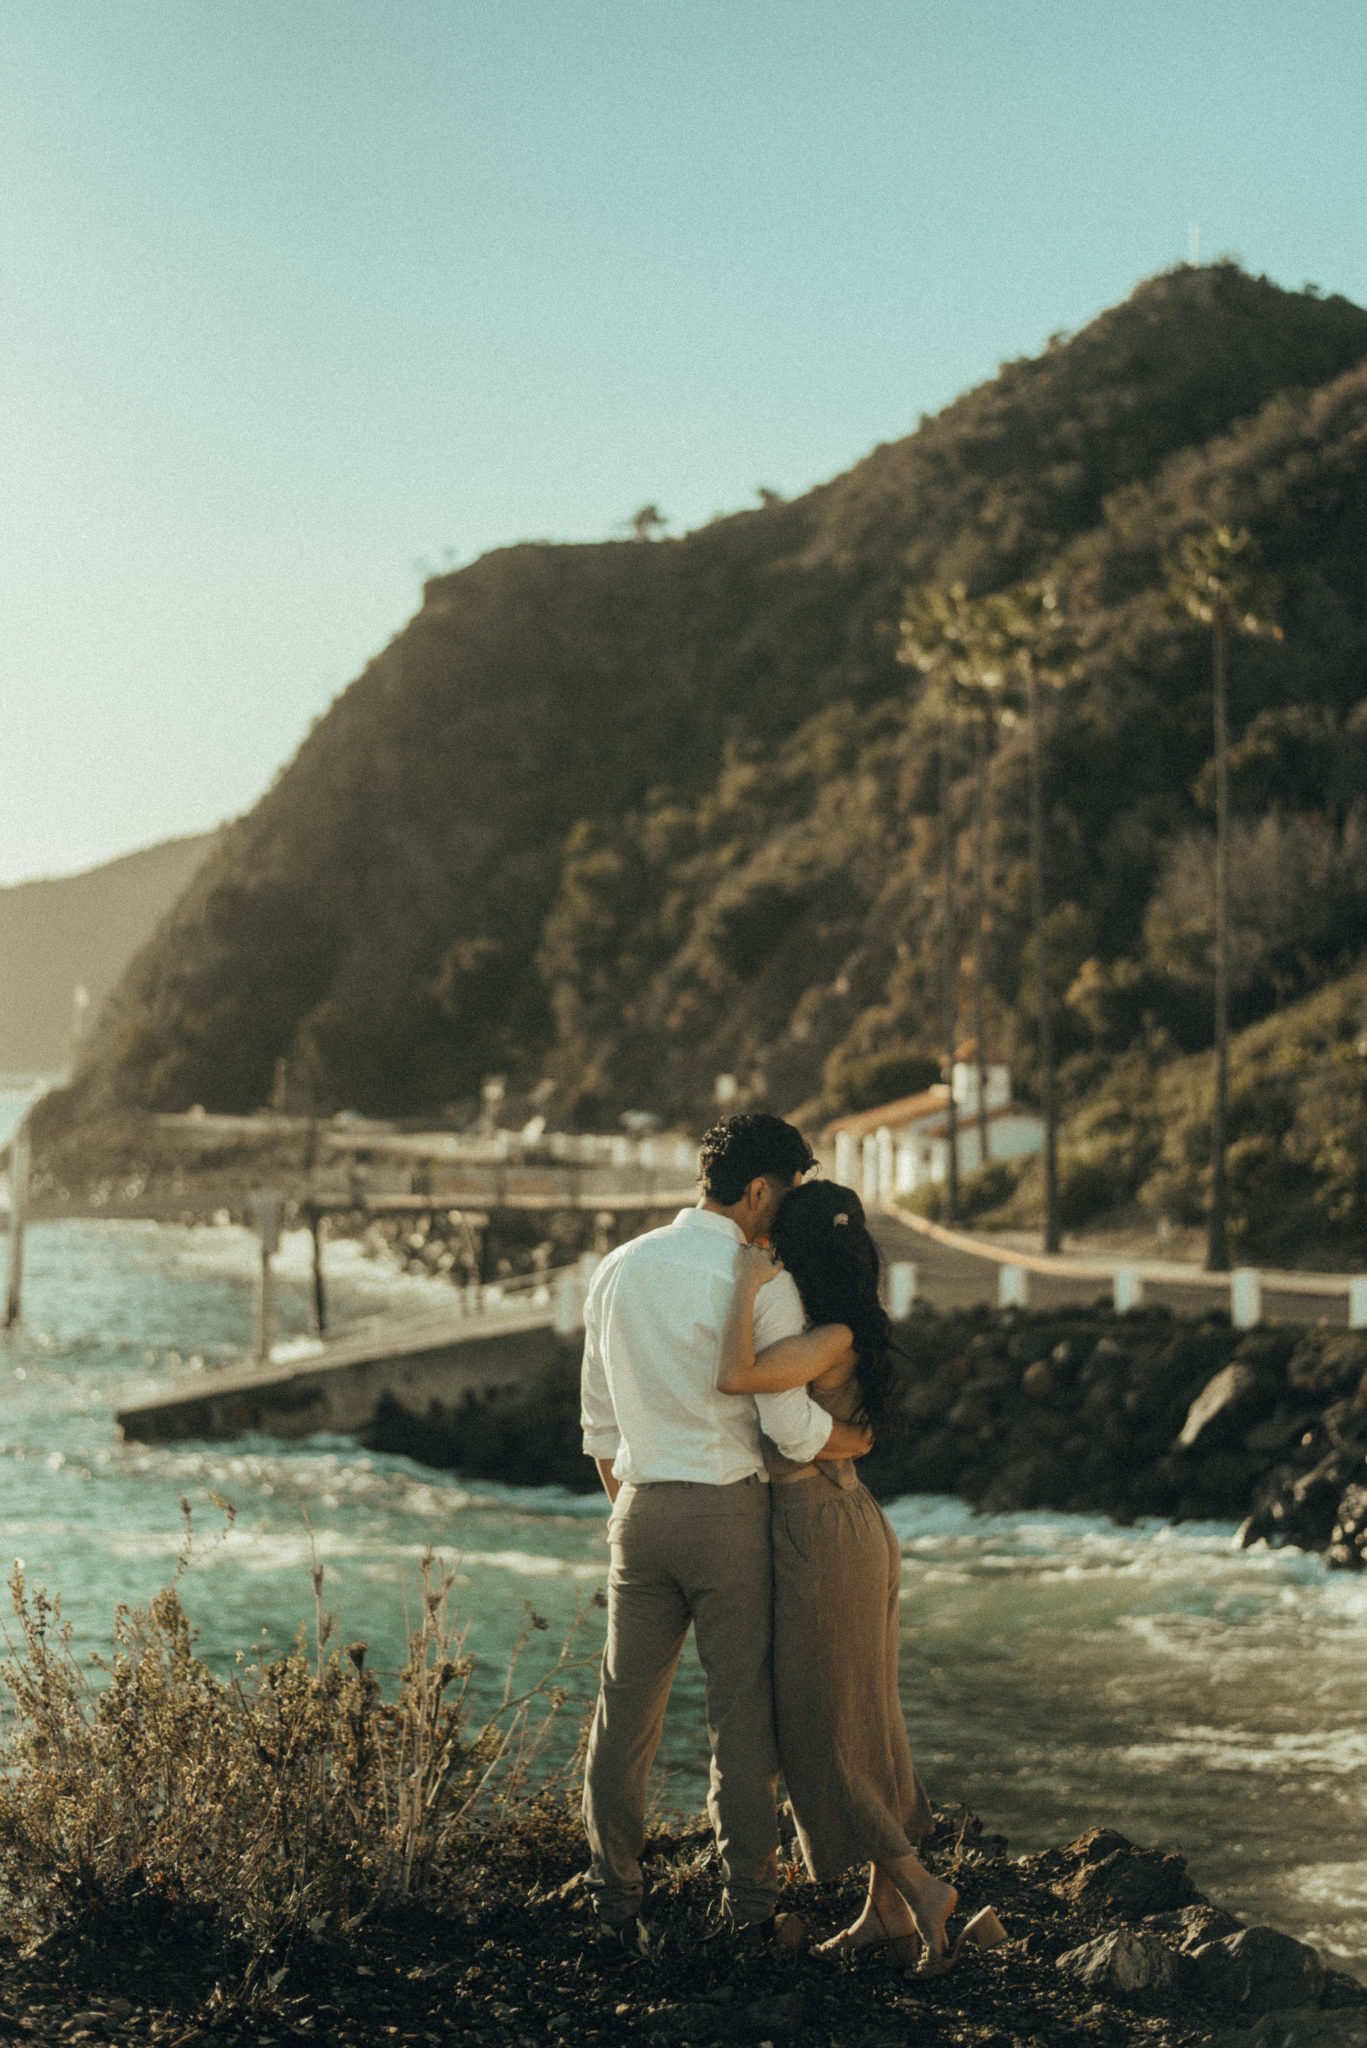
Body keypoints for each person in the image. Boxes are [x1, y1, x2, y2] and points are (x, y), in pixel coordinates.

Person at [579, 1115, 874, 1947]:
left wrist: (633, 1508)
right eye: (786, 1193)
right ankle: (748, 1911)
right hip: (728, 1513)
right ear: (756, 1190)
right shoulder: (764, 1281)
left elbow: (598, 1425)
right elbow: (786, 1427)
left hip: (637, 1509)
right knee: (737, 1717)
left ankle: (612, 1904)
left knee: (621, 1716)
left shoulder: (618, 1267)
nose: (789, 1212)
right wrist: (854, 1440)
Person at [716, 1178, 971, 1972]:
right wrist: (845, 1441)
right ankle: (882, 1911)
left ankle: (921, 1889)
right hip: (848, 1520)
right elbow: (842, 1432)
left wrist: (743, 1285)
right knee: (865, 1719)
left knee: (822, 1729)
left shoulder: (826, 1336)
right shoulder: (844, 1328)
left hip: (821, 1533)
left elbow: (735, 1376)